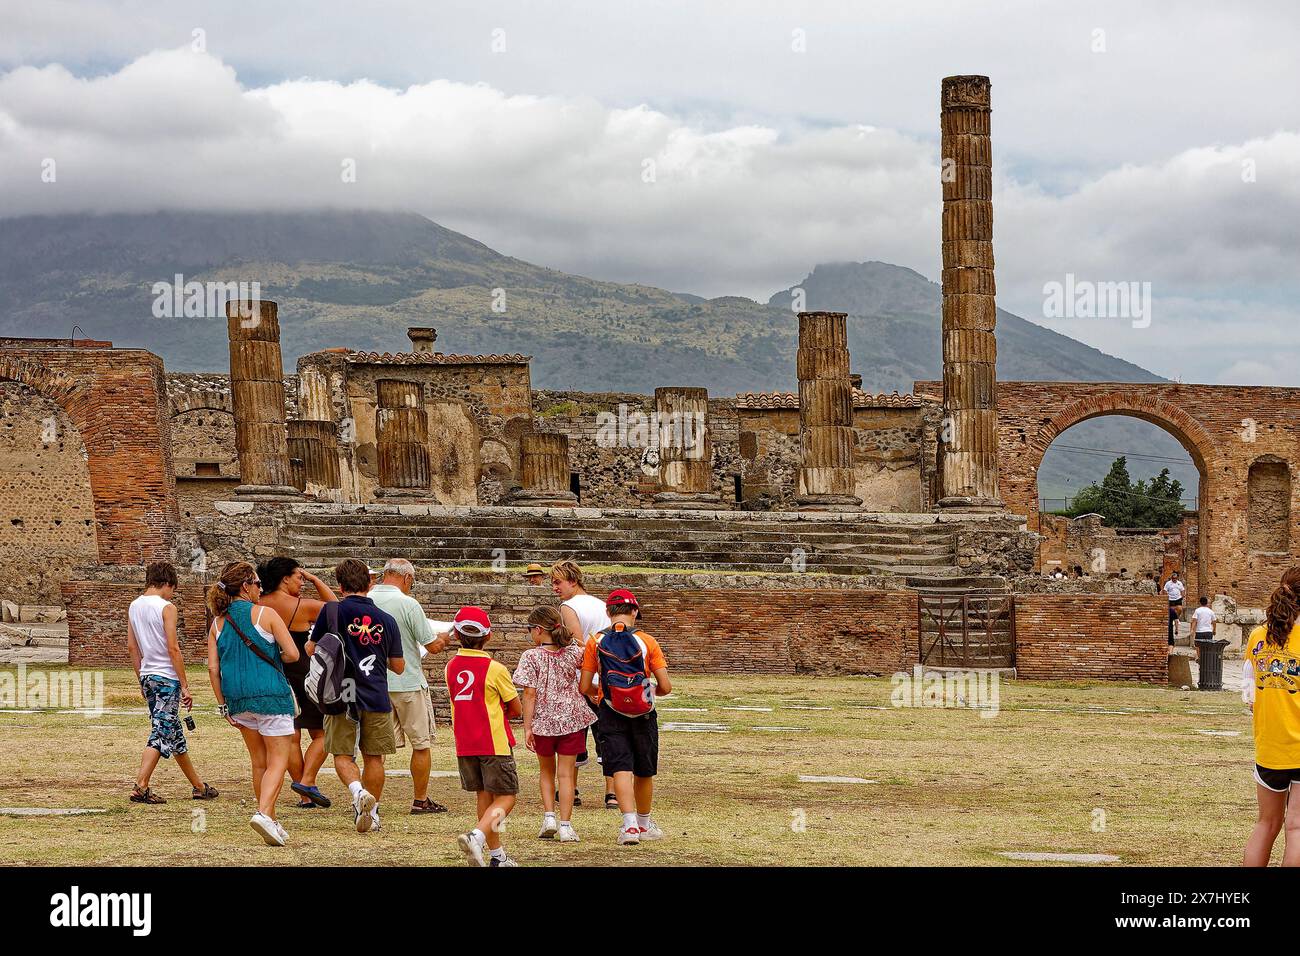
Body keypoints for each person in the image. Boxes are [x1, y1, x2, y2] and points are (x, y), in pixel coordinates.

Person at [205, 561, 299, 847]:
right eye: (257, 584)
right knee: (278, 761)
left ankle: (268, 816)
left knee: (259, 763)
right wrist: (274, 658)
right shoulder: (266, 614)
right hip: (270, 694)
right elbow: (292, 654)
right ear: (246, 586)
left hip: (237, 699)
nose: (261, 589)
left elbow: (212, 668)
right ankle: (264, 813)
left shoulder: (218, 622)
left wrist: (223, 705)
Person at [308, 558, 405, 834]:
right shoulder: (387, 620)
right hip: (375, 692)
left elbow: (312, 649)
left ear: (340, 586)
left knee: (342, 753)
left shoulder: (332, 612)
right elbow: (398, 667)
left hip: (341, 692)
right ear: (370, 583)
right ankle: (372, 814)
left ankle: (357, 791)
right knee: (374, 757)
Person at [579, 589, 671, 846]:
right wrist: (650, 692)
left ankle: (629, 825)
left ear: (608, 613)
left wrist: (598, 696)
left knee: (620, 767)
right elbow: (665, 685)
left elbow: (585, 684)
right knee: (644, 769)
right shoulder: (648, 641)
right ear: (635, 612)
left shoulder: (595, 641)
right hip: (643, 713)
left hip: (610, 709)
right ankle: (644, 822)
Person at [126, 561, 218, 805]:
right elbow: (173, 648)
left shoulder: (134, 606)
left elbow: (132, 647)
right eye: (173, 589)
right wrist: (185, 684)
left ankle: (198, 786)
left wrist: (140, 678)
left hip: (147, 675)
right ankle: (141, 785)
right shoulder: (167, 607)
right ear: (167, 583)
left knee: (173, 732)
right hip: (166, 676)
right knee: (160, 731)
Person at [368, 557, 452, 814]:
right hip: (407, 681)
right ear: (406, 578)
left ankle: (372, 802)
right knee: (421, 742)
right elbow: (432, 646)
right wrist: (447, 636)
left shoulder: (367, 599)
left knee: (375, 749)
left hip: (374, 681)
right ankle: (420, 799)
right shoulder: (408, 604)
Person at [256, 556, 336, 810]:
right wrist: (317, 580)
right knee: (323, 732)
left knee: (290, 735)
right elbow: (336, 608)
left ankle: (303, 793)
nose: (302, 582)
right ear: (285, 578)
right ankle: (307, 782)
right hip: (302, 672)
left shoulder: (257, 604)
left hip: (273, 671)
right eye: (299, 577)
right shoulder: (301, 605)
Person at [513, 605, 597, 843]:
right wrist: (577, 642)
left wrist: (527, 727)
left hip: (543, 722)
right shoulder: (572, 653)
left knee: (546, 772)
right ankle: (566, 825)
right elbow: (590, 652)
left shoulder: (531, 656)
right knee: (567, 775)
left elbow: (529, 694)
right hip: (572, 720)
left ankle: (549, 816)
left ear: (539, 630)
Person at [446, 606, 522, 867]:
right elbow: (516, 707)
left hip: (465, 743)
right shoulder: (495, 668)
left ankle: (497, 856)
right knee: (507, 795)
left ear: (455, 634)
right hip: (494, 742)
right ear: (488, 637)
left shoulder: (450, 666)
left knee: (484, 795)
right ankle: (477, 836)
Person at [1243, 568, 1300, 866]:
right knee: (1297, 827)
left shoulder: (1256, 637)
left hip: (1269, 747)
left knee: (1266, 824)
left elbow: (1249, 694)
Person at [551, 559, 613, 808]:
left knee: (573, 738)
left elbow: (577, 642)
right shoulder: (602, 605)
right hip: (606, 677)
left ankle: (571, 788)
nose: (555, 588)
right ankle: (612, 792)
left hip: (584, 678)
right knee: (606, 736)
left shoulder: (568, 606)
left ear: (572, 581)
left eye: (558, 582)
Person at [1164, 571, 1187, 644]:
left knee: (1180, 609)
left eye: (1176, 578)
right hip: (1170, 599)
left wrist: (1183, 595)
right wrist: (1166, 596)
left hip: (1178, 598)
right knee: (1171, 610)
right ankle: (1174, 619)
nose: (1174, 579)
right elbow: (1165, 590)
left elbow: (1182, 590)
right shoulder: (1168, 583)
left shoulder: (1179, 583)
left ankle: (1177, 618)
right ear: (1171, 578)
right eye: (1173, 578)